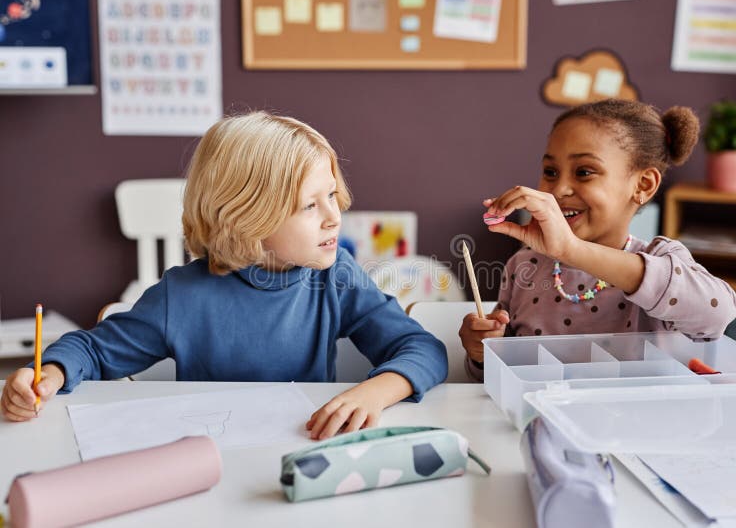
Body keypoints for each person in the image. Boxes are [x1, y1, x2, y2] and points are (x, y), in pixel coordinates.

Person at [2, 112, 448, 438]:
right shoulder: (183, 296)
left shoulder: (338, 278)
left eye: (332, 194)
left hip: (304, 452)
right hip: (211, 465)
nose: (336, 215)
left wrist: (374, 393)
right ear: (247, 218)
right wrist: (50, 374)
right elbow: (92, 350)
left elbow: (422, 348)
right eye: (311, 205)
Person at [459, 99, 736, 380]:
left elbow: (719, 315)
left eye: (584, 172)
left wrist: (573, 250)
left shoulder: (661, 259)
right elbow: (498, 379)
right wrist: (482, 354)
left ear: (643, 185)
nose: (560, 189)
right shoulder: (524, 265)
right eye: (550, 172)